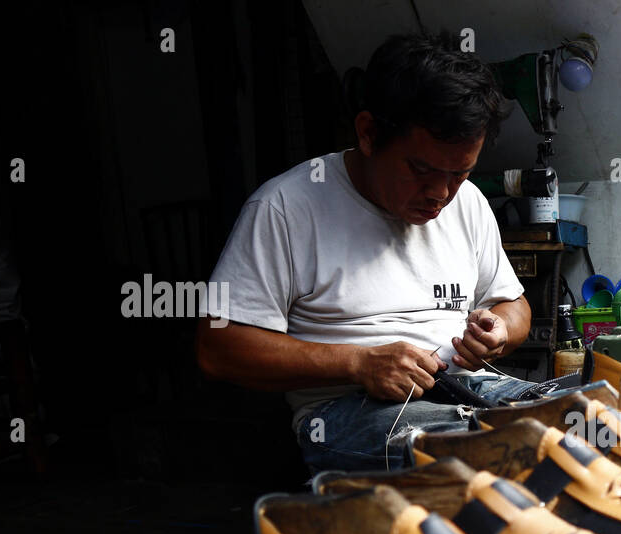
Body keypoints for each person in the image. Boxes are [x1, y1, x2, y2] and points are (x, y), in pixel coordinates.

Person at [197, 33, 554, 473]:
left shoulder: (468, 203)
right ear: (368, 133)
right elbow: (219, 348)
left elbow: (512, 304)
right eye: (420, 170)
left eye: (460, 174)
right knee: (493, 452)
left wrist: (500, 329)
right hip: (349, 412)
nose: (440, 194)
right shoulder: (286, 208)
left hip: (468, 388)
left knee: (585, 419)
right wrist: (358, 363)